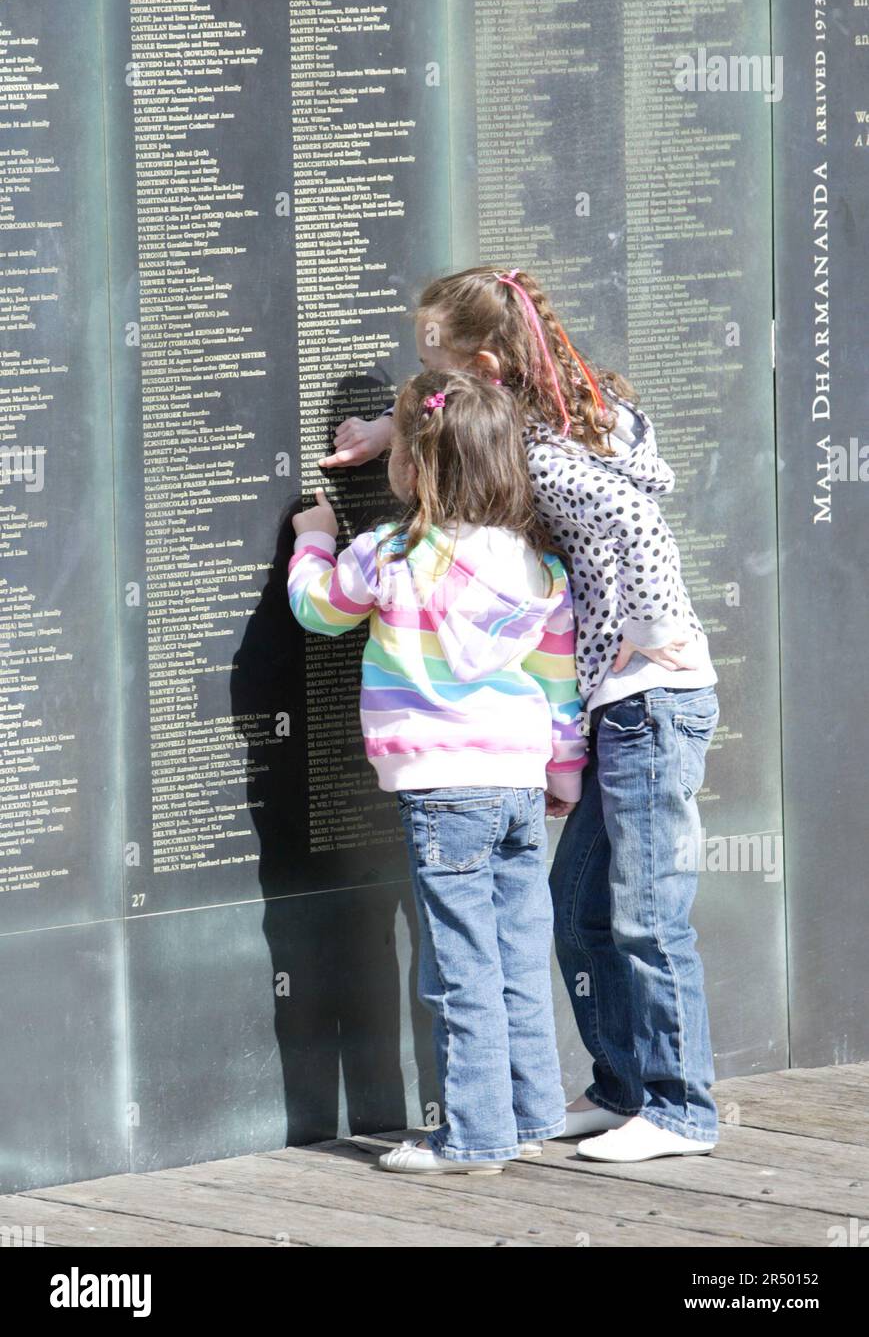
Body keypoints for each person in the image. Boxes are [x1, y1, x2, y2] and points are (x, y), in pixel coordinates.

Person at [320, 266, 721, 1162]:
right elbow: (464, 421)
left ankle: (680, 1109)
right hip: (601, 715)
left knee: (645, 915)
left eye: (434, 362)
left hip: (645, 701)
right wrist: (396, 425)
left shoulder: (539, 457)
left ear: (488, 366)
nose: (419, 373)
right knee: (575, 909)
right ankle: (619, 1087)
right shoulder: (553, 419)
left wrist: (654, 626)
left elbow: (635, 515)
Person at [288, 368, 587, 1174]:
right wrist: (563, 775)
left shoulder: (390, 553)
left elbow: (317, 609)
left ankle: (474, 1137)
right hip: (521, 783)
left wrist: (313, 534)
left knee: (458, 966)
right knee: (520, 954)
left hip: (442, 787)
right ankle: (530, 1117)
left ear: (412, 467)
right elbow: (559, 687)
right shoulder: (539, 568)